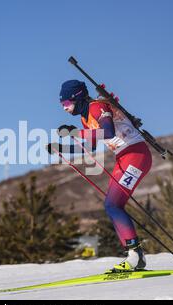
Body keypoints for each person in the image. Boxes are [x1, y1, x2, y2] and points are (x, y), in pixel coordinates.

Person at [49, 80, 153, 272]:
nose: (65, 109)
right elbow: (91, 145)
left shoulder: (97, 107)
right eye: (62, 105)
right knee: (112, 205)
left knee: (112, 205)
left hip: (136, 155)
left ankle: (135, 256)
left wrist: (73, 132)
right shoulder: (84, 118)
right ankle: (134, 255)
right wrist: (61, 148)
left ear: (77, 97)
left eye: (66, 104)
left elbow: (108, 131)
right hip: (124, 157)